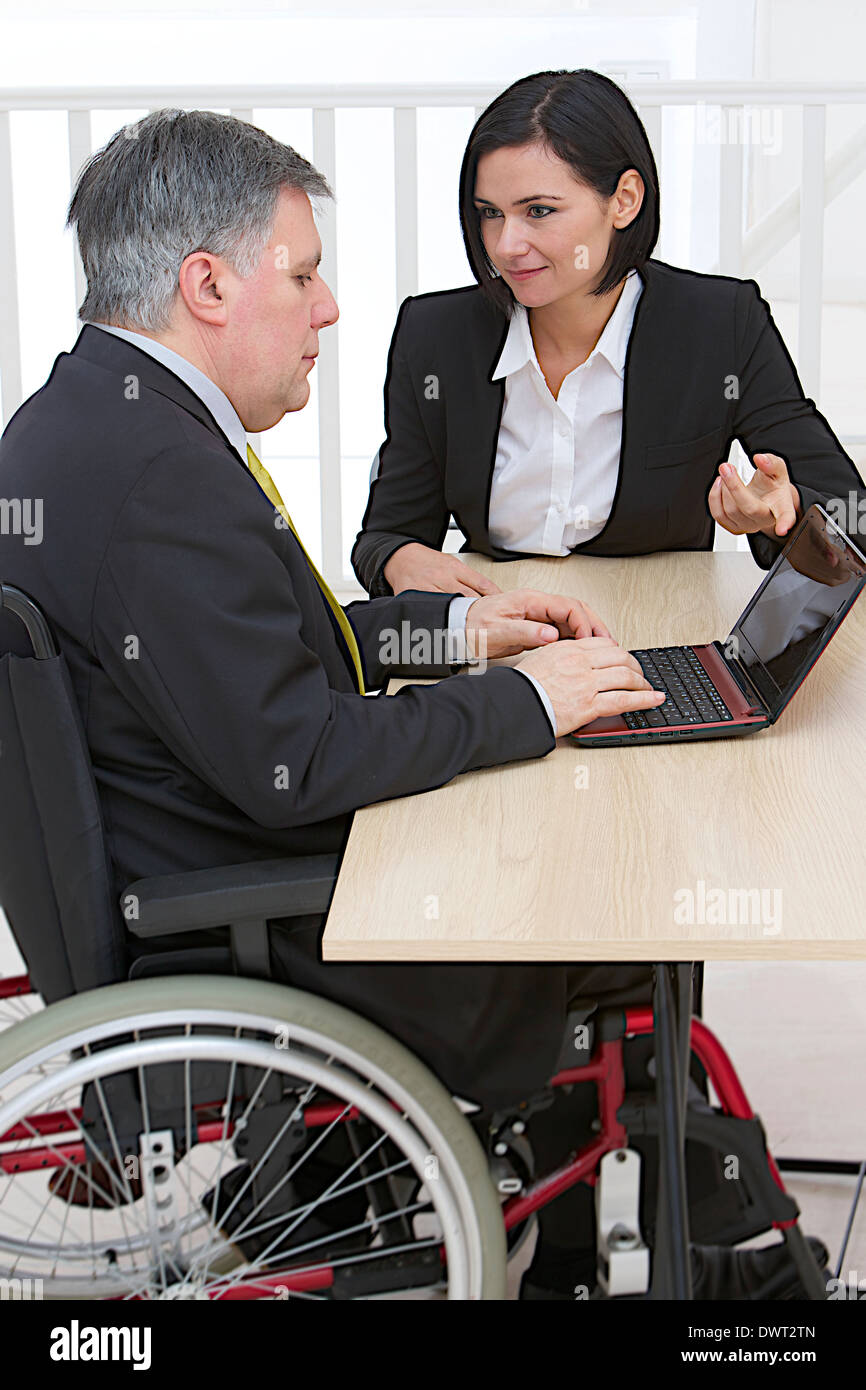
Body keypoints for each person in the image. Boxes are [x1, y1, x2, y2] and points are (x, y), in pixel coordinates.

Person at [0, 110, 824, 1300]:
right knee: (618, 897)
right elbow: (298, 755)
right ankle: (695, 1253)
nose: (327, 304)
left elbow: (258, 656)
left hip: (207, 858)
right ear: (207, 283)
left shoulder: (97, 419)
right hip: (269, 909)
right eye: (301, 273)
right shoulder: (154, 475)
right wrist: (527, 705)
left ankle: (668, 1220)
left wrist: (455, 630)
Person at [352, 68, 866, 600]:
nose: (505, 245)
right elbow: (386, 534)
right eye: (490, 214)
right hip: (505, 638)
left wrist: (783, 512)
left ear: (624, 200)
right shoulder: (434, 335)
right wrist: (398, 556)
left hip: (660, 633)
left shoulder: (721, 323)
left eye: (539, 211)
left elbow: (854, 519)